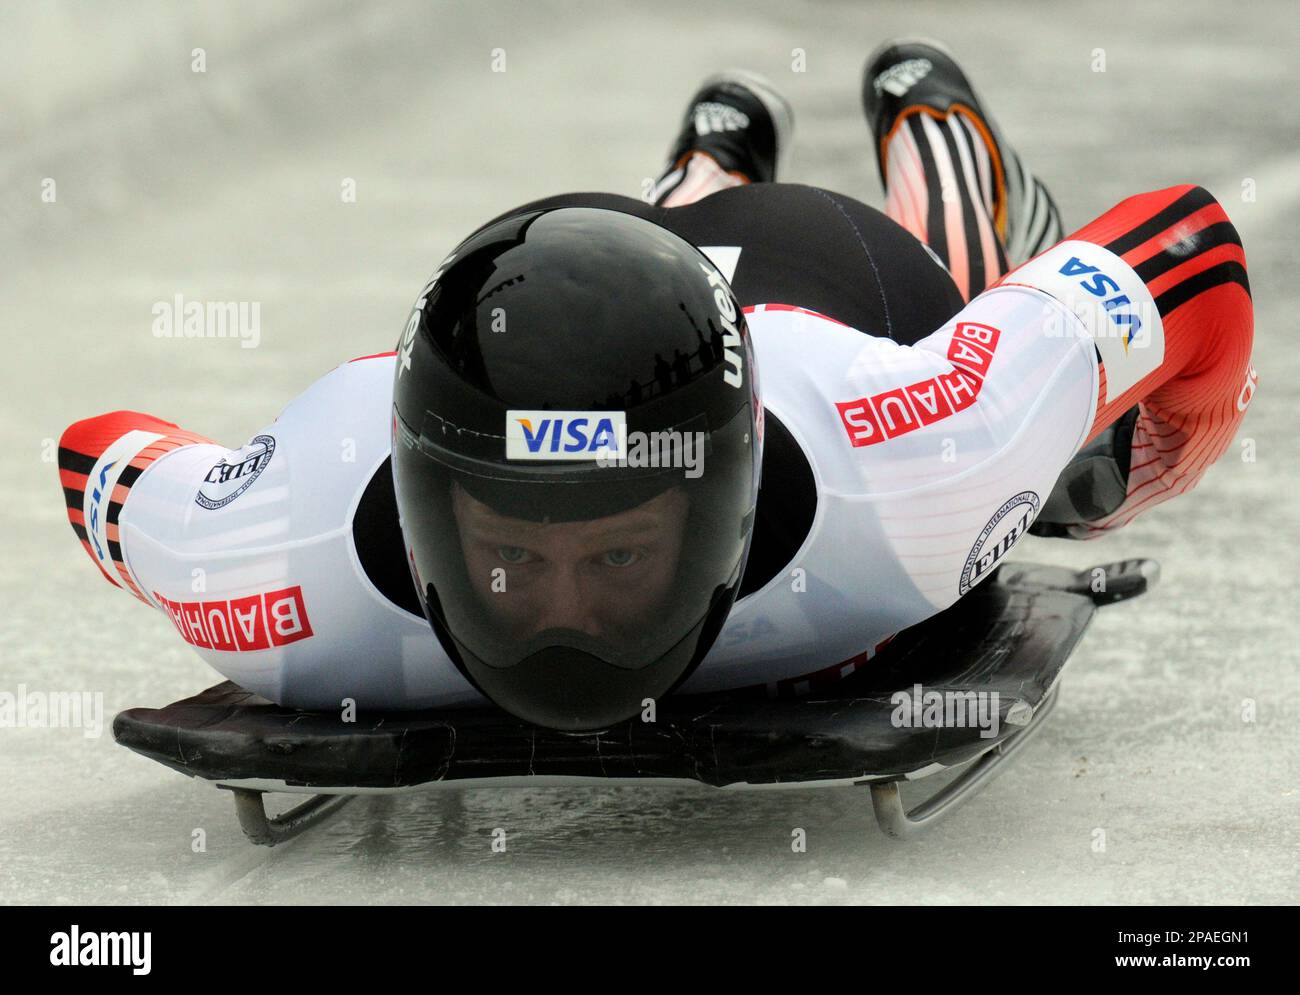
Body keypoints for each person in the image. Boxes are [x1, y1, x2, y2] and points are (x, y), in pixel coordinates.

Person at [58, 41, 1256, 730]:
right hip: (624, 278)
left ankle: (927, 127)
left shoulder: (913, 459)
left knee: (1007, 367)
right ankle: (706, 162)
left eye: (619, 555)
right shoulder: (275, 558)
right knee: (635, 247)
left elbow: (1192, 246)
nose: (563, 623)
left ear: (727, 503)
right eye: (507, 558)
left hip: (828, 288)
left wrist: (1134, 473)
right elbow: (98, 461)